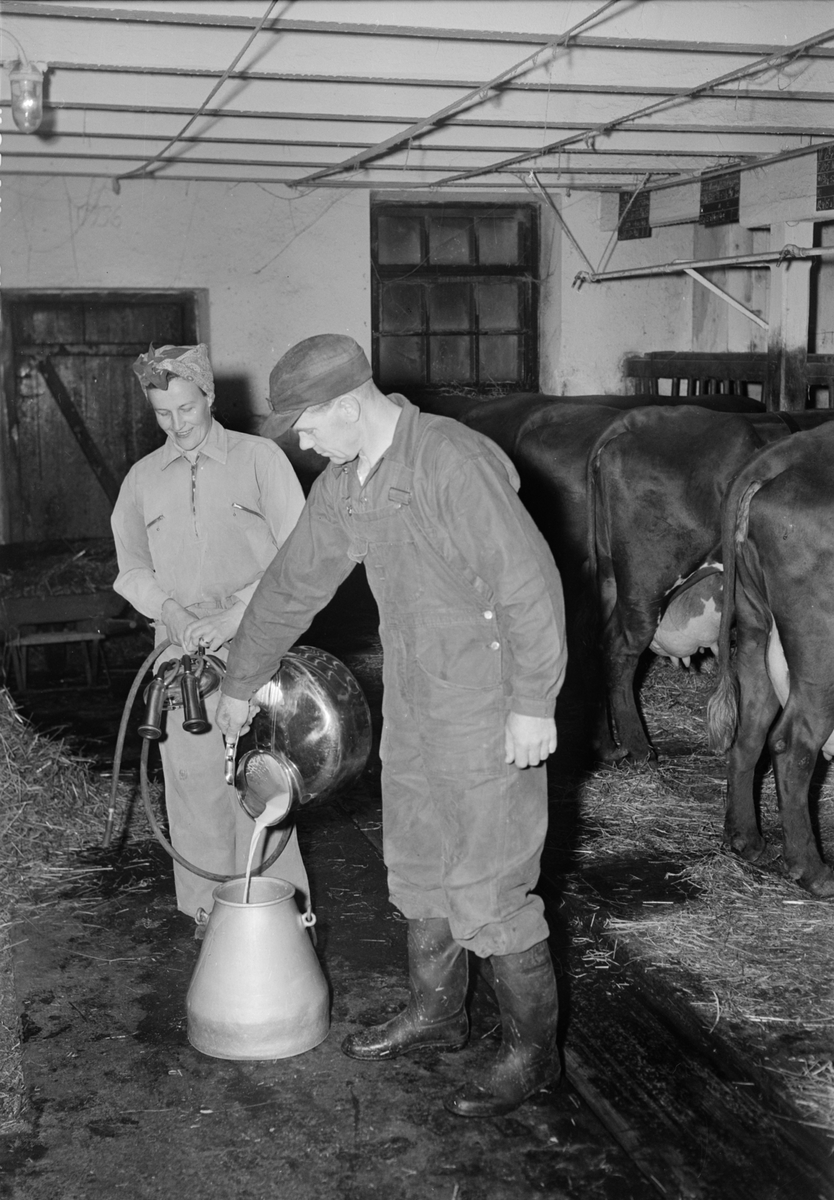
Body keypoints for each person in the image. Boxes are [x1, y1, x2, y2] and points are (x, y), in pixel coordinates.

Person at [215, 334, 567, 1117]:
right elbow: (291, 581)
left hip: (486, 703)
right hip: (414, 695)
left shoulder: (450, 463)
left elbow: (530, 587)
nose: (301, 443)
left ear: (346, 406)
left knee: (492, 885)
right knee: (416, 861)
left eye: (305, 426)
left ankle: (533, 1056)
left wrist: (533, 704)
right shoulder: (348, 485)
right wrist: (241, 680)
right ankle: (439, 1014)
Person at [111, 343, 309, 936]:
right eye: (163, 415)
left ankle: (281, 908)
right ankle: (209, 914)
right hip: (180, 654)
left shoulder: (260, 459)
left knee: (261, 777)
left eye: (186, 410)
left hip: (256, 643)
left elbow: (299, 552)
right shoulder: (142, 479)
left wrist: (238, 614)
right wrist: (167, 610)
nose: (177, 425)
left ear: (210, 397)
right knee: (194, 783)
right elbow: (130, 567)